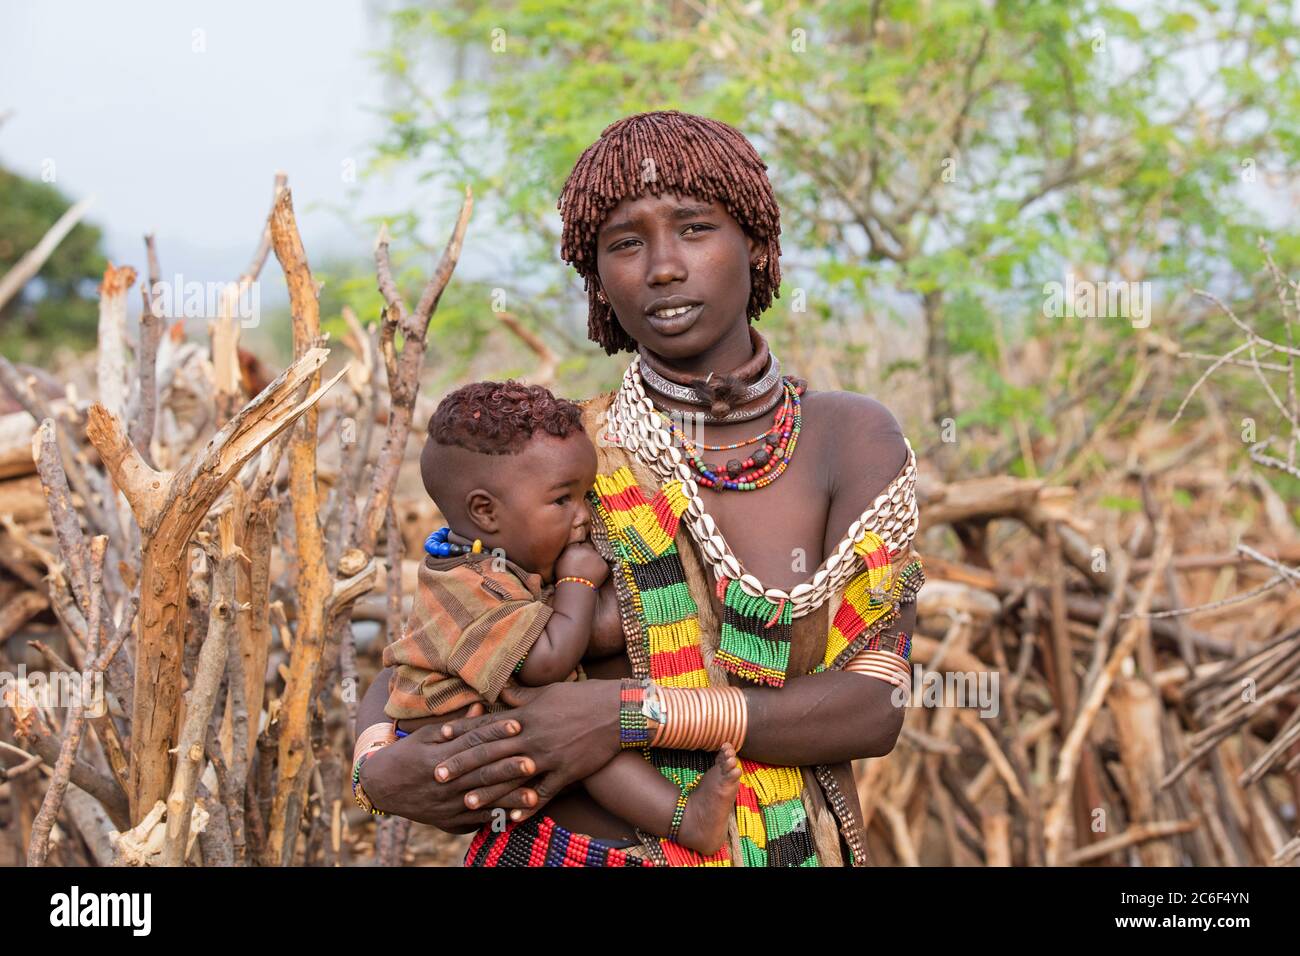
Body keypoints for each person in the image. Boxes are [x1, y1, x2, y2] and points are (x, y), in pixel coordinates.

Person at [352, 109, 924, 867]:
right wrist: (377, 765)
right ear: (597, 279)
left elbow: (870, 708)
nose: (662, 267)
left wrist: (623, 715)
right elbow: (439, 641)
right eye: (625, 243)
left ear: (755, 243)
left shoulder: (849, 439)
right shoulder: (567, 457)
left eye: (694, 229)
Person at [370, 379, 743, 859]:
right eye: (563, 500)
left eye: (587, 495)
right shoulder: (472, 584)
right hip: (465, 734)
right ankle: (688, 821)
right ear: (484, 510)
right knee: (583, 741)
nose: (583, 515)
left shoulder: (479, 560)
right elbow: (545, 661)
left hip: (485, 726)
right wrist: (579, 583)